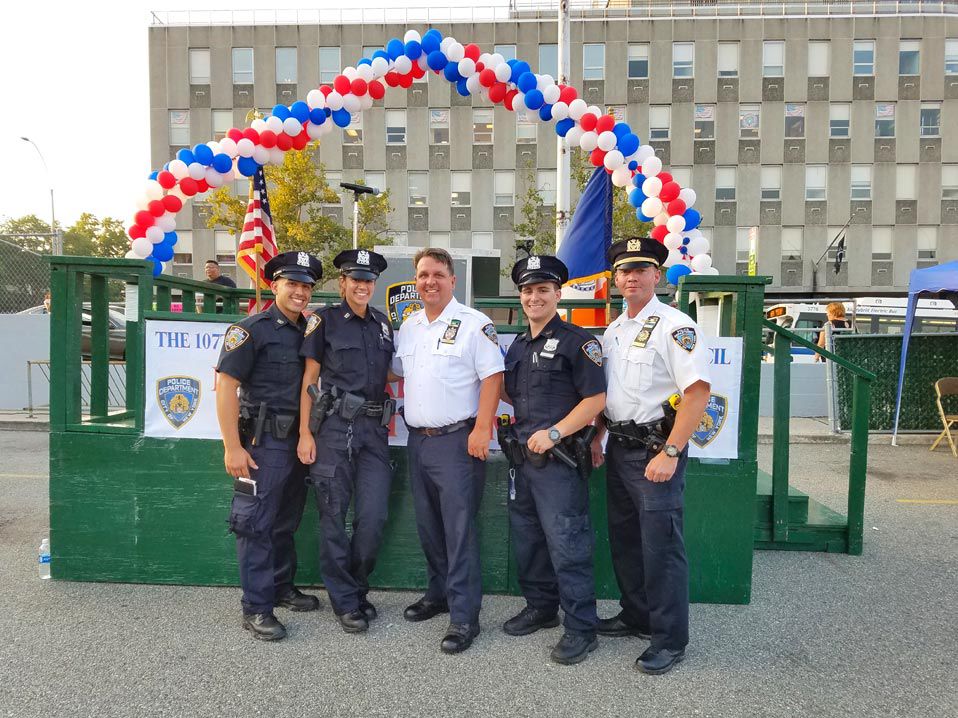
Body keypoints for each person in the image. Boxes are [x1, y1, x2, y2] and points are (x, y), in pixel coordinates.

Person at [592, 237, 711, 675]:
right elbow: (612, 394)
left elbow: (697, 394)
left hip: (656, 451)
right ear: (616, 279)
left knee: (661, 548)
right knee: (625, 540)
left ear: (656, 275)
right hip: (619, 447)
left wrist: (672, 451)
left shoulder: (675, 326)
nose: (632, 277)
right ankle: (637, 614)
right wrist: (597, 436)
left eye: (641, 269)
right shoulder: (614, 330)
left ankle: (669, 638)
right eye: (624, 271)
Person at [392, 247, 504, 654]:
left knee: (458, 531)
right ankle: (438, 594)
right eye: (423, 275)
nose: (430, 282)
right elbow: (398, 371)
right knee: (429, 526)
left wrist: (482, 429)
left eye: (438, 274)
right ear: (416, 282)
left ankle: (464, 616)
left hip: (458, 441)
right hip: (418, 440)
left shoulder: (474, 324)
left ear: (453, 281)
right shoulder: (410, 326)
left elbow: (493, 377)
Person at [499, 255, 607, 665]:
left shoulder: (578, 341)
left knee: (567, 543)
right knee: (528, 539)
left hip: (559, 461)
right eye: (527, 291)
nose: (534, 297)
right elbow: (513, 393)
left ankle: (581, 628)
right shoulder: (517, 345)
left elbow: (595, 399)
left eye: (543, 290)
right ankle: (541, 607)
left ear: (558, 294)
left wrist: (556, 432)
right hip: (523, 459)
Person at [215, 250, 323, 641]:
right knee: (255, 524)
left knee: (285, 521)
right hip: (261, 443)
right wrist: (232, 447)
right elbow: (225, 386)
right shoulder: (250, 330)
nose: (300, 292)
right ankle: (257, 608)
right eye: (292, 284)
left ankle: (280, 586)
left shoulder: (309, 330)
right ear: (274, 285)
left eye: (306, 286)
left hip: (298, 442)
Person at [297, 248, 394, 635]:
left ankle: (357, 587)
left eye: (368, 280)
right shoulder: (323, 320)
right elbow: (309, 380)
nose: (362, 286)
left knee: (373, 517)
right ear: (343, 283)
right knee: (334, 518)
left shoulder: (383, 324)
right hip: (335, 428)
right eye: (356, 279)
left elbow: (391, 374)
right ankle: (345, 600)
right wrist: (306, 433)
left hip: (374, 431)